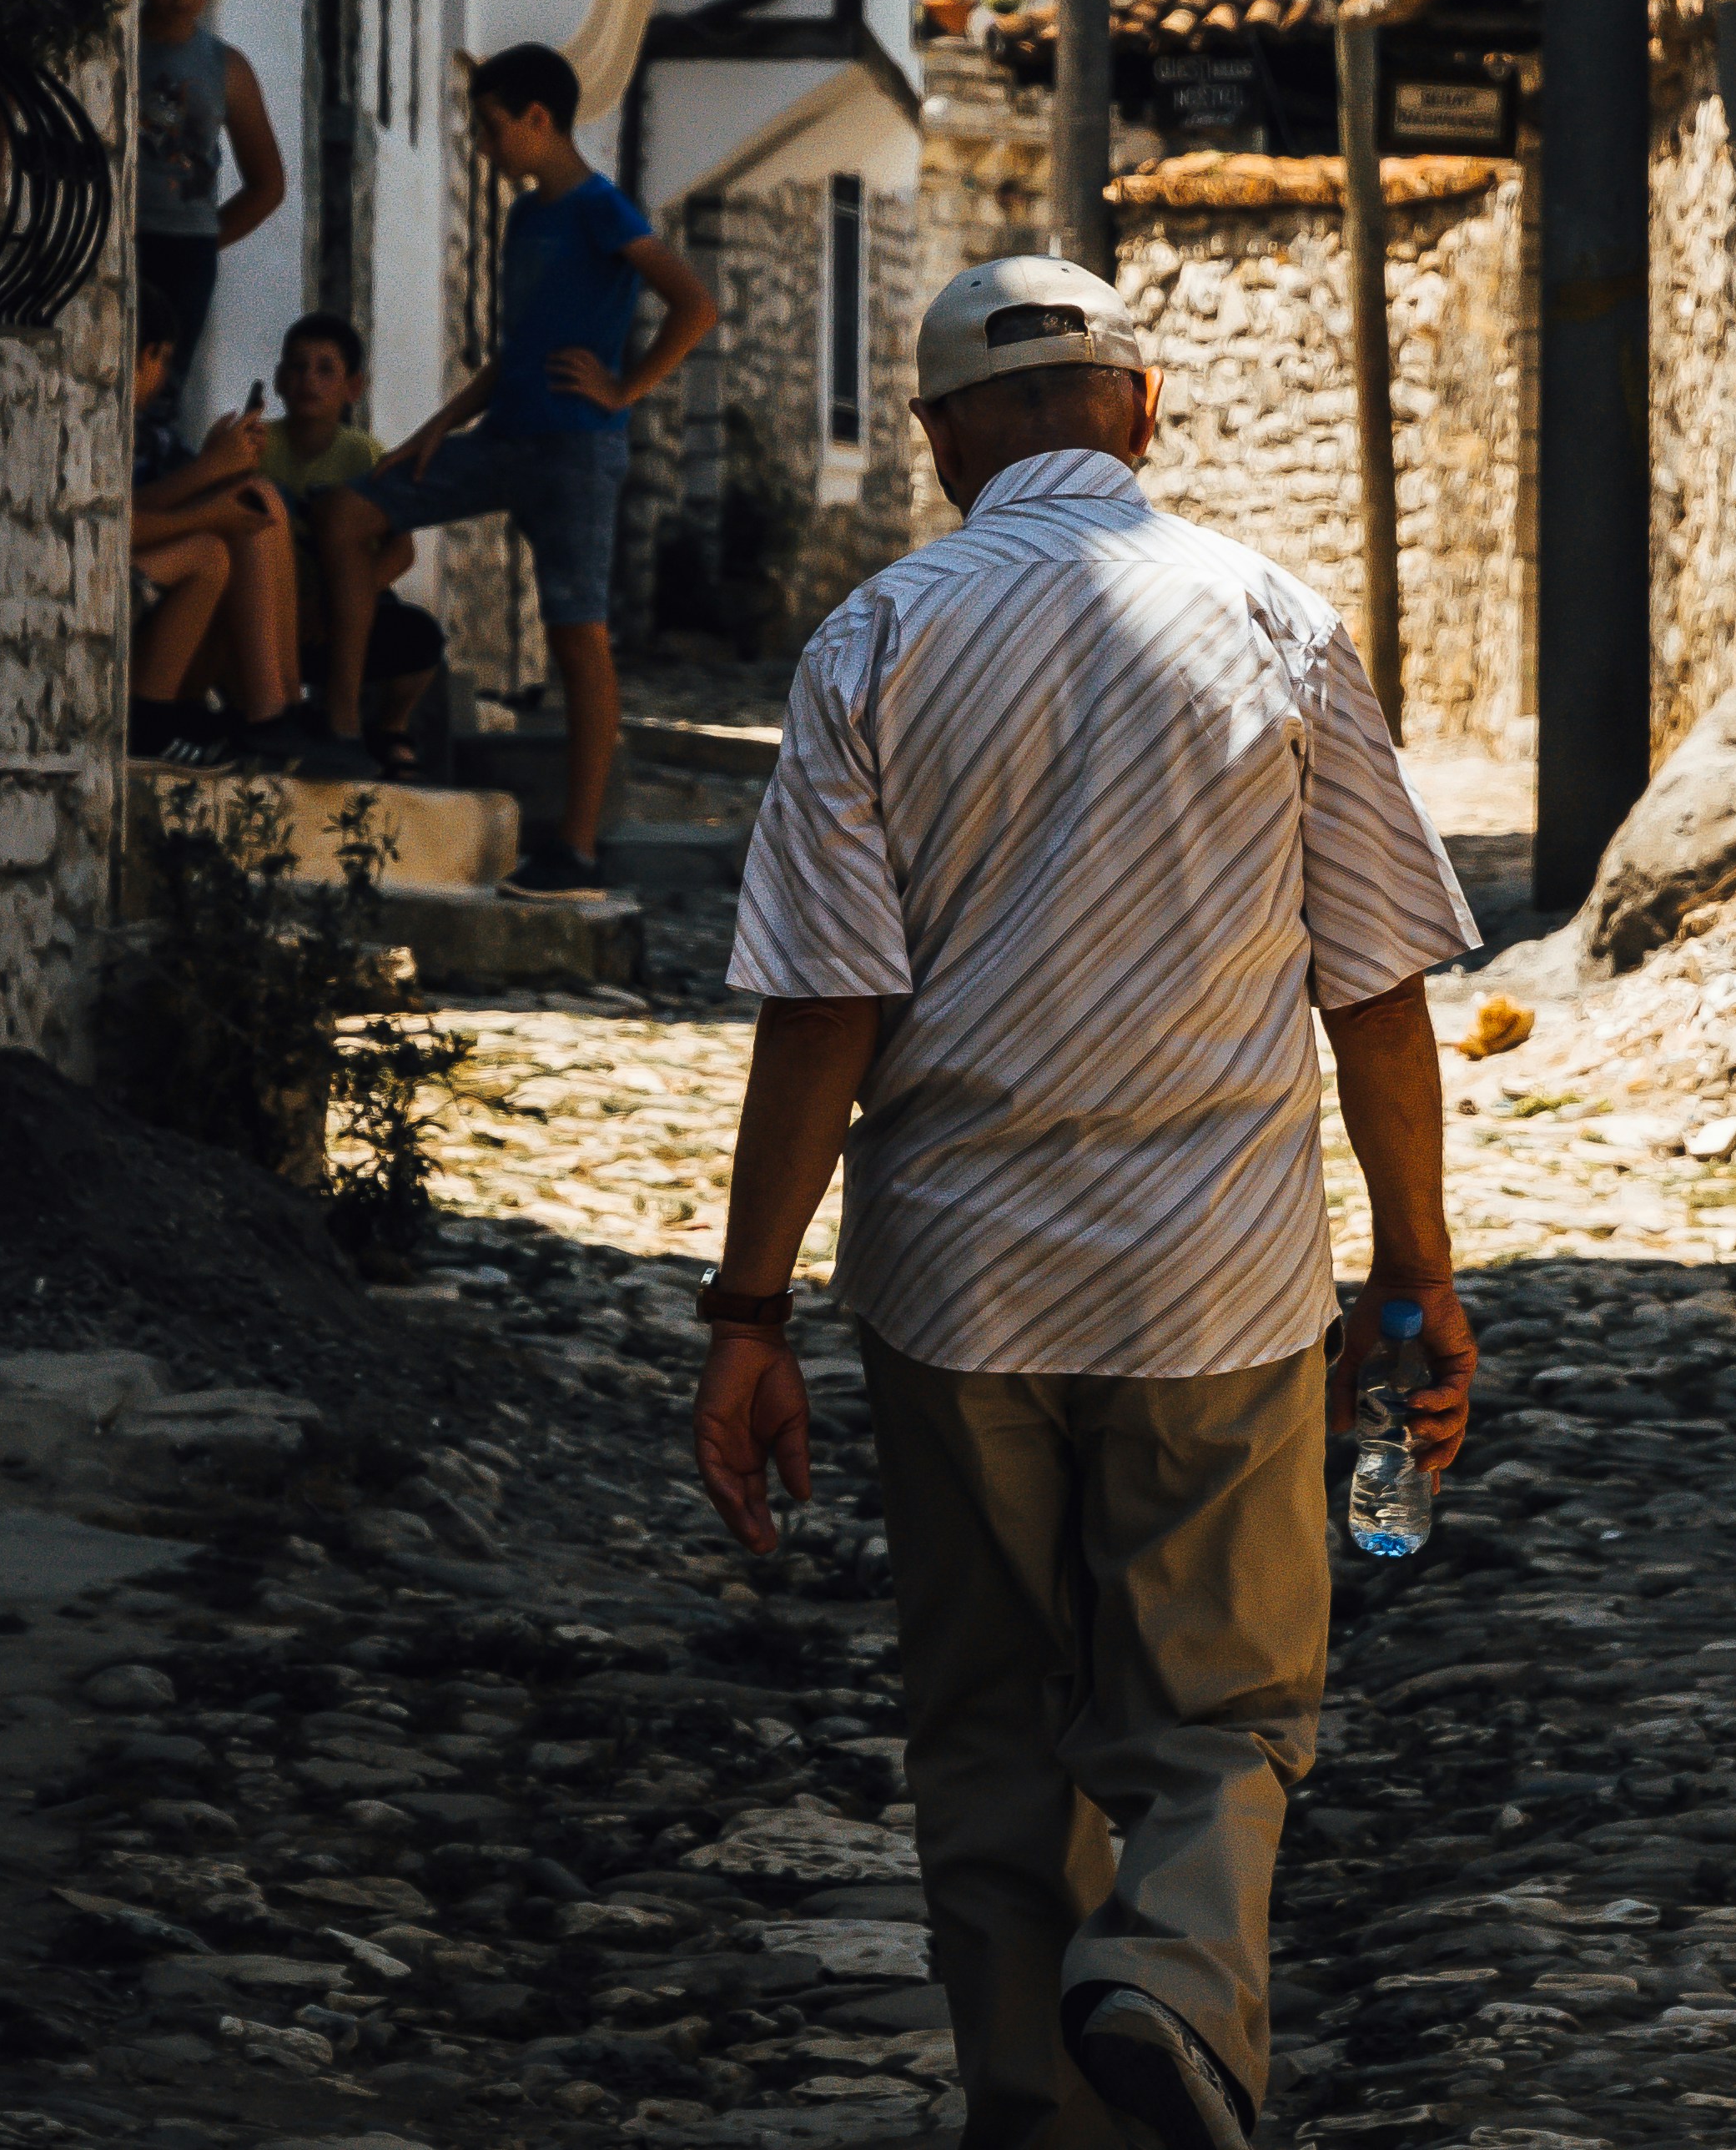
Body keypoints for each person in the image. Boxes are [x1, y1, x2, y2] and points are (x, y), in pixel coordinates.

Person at [689, 257, 1480, 2150]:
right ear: (1146, 411)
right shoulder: (1276, 624)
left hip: (957, 1283)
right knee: (1219, 1715)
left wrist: (749, 1308)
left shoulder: (876, 637)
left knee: (989, 1726)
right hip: (1221, 1281)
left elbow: (823, 1012)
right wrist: (1416, 1274)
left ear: (945, 439)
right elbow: (1376, 993)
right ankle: (1171, 1980)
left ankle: (1035, 2107)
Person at [311, 43, 715, 877]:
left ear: (539, 118)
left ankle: (574, 844)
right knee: (349, 512)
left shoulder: (602, 209)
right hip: (499, 440)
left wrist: (623, 389)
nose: (486, 148)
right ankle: (346, 733)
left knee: (577, 640)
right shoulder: (525, 216)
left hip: (574, 453)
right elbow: (514, 351)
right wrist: (436, 426)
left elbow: (695, 301)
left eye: (494, 129)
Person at [264, 313, 450, 778]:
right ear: (280, 380)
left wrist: (339, 606)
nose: (309, 380)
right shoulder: (255, 448)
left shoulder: (365, 456)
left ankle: (389, 728)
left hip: (344, 618)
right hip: (270, 610)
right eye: (298, 366)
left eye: (326, 369)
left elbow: (401, 551)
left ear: (354, 387)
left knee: (421, 640)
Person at [125, 315, 300, 770]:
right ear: (144, 355)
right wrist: (207, 487)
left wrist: (217, 466)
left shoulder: (152, 437)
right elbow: (112, 524)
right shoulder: (102, 428)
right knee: (210, 551)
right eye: (160, 359)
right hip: (115, 608)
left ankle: (281, 710)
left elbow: (141, 505)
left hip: (157, 626)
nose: (162, 375)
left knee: (255, 498)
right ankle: (266, 717)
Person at [136, 0, 287, 409]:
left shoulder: (229, 70)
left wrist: (203, 238)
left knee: (161, 392)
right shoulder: (116, 48)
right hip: (119, 237)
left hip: (185, 257)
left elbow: (268, 184)